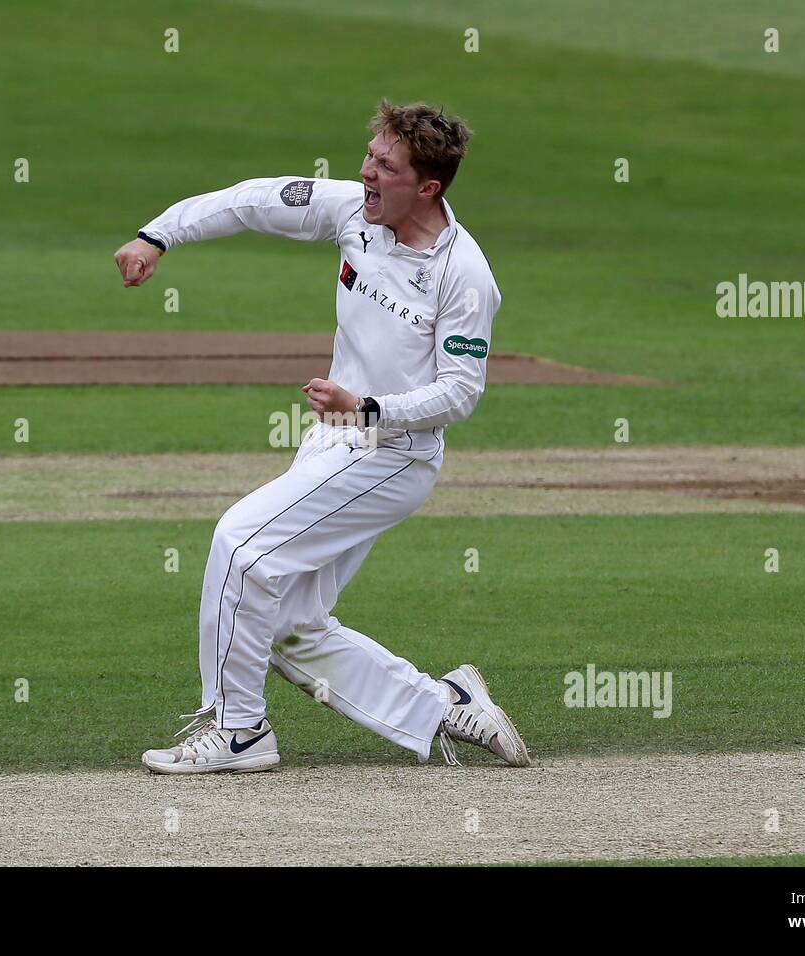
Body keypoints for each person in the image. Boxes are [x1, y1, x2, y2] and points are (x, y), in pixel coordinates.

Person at [113, 101, 529, 774]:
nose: (366, 173)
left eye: (385, 167)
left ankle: (239, 730)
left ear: (427, 187)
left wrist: (365, 409)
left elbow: (460, 393)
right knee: (282, 627)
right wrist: (157, 236)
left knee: (242, 545)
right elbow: (252, 202)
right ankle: (444, 704)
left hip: (393, 454)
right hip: (336, 441)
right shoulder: (353, 210)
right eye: (369, 155)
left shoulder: (465, 276)